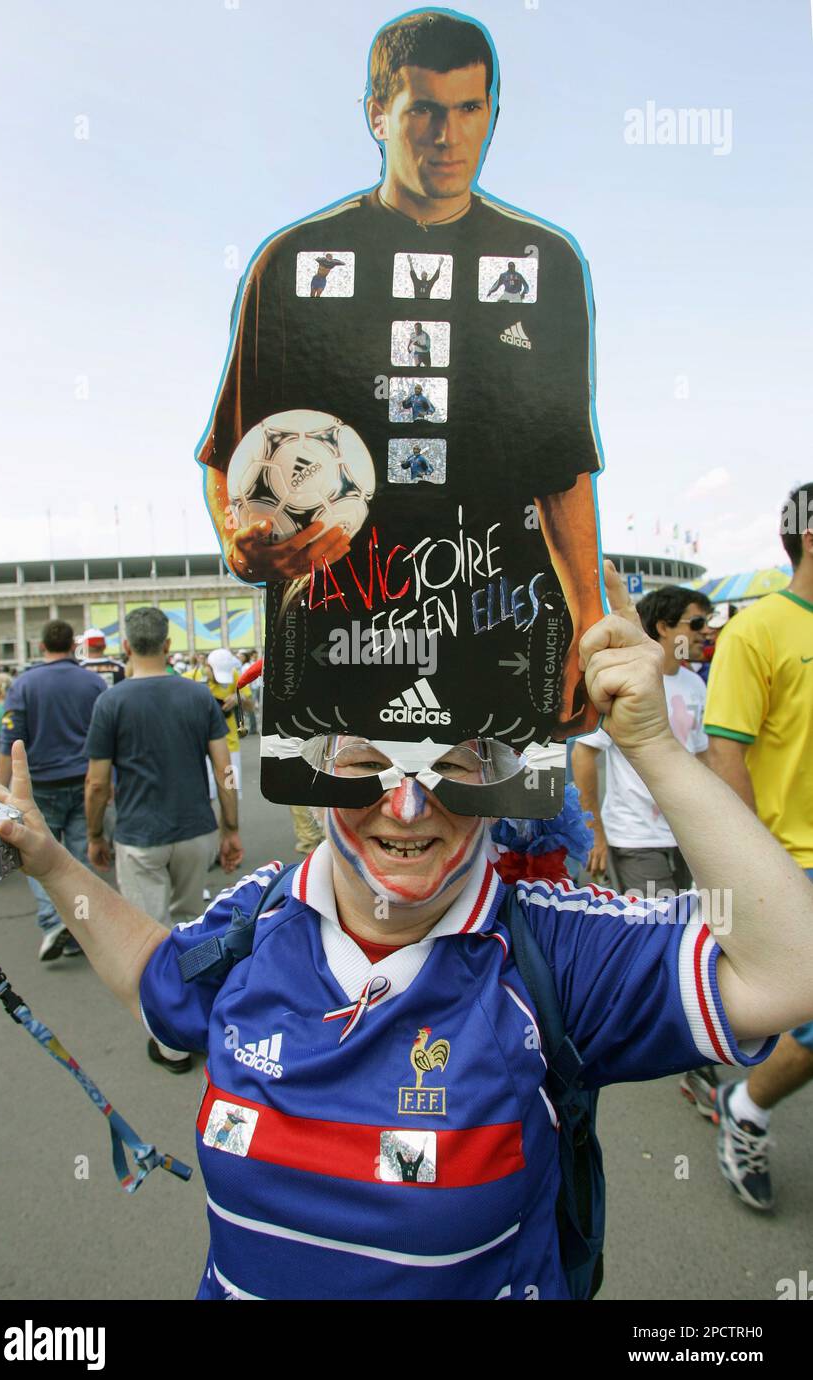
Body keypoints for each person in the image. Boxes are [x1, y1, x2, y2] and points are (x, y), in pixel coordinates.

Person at [0, 563, 813, 1299]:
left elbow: (790, 972)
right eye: (369, 761)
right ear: (321, 773)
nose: (407, 806)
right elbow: (157, 972)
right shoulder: (259, 915)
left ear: (498, 780)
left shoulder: (553, 950)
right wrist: (50, 861)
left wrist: (654, 746)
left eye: (451, 764)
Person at [197, 9, 605, 736]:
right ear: (376, 115)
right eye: (422, 109)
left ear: (491, 114)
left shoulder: (543, 264)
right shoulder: (296, 262)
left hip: (496, 627)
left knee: (490, 845)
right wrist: (240, 542)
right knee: (354, 839)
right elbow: (231, 450)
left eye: (468, 110)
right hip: (335, 638)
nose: (446, 137)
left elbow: (563, 467)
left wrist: (587, 623)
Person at [681, 482, 813, 1211]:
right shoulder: (757, 631)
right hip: (793, 860)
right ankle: (746, 1109)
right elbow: (724, 755)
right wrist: (756, 871)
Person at [83, 608, 243, 1075]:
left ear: (127, 648)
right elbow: (224, 768)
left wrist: (95, 834)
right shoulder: (197, 695)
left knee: (148, 940)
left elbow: (96, 784)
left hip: (140, 836)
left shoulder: (111, 703)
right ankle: (198, 1020)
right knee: (193, 930)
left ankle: (170, 1041)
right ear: (168, 645)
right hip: (196, 831)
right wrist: (231, 826)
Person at [572, 586, 713, 896]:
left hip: (687, 834)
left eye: (708, 622)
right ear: (664, 627)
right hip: (636, 838)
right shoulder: (623, 682)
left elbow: (702, 756)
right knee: (657, 929)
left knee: (686, 926)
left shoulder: (695, 684)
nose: (707, 631)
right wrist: (596, 833)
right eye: (697, 623)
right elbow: (584, 754)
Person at [0, 621, 106, 961]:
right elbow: (105, 739)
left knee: (34, 857)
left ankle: (52, 920)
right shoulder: (93, 682)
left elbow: (9, 741)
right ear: (75, 647)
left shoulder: (23, 684)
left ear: (42, 647)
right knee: (79, 857)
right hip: (83, 779)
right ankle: (81, 924)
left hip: (39, 784)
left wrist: (0, 792)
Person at [185, 647, 245, 811]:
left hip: (230, 745)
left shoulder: (234, 675)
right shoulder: (189, 679)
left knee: (230, 792)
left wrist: (237, 698)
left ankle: (230, 829)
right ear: (206, 665)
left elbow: (250, 704)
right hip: (199, 747)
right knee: (205, 794)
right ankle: (208, 830)